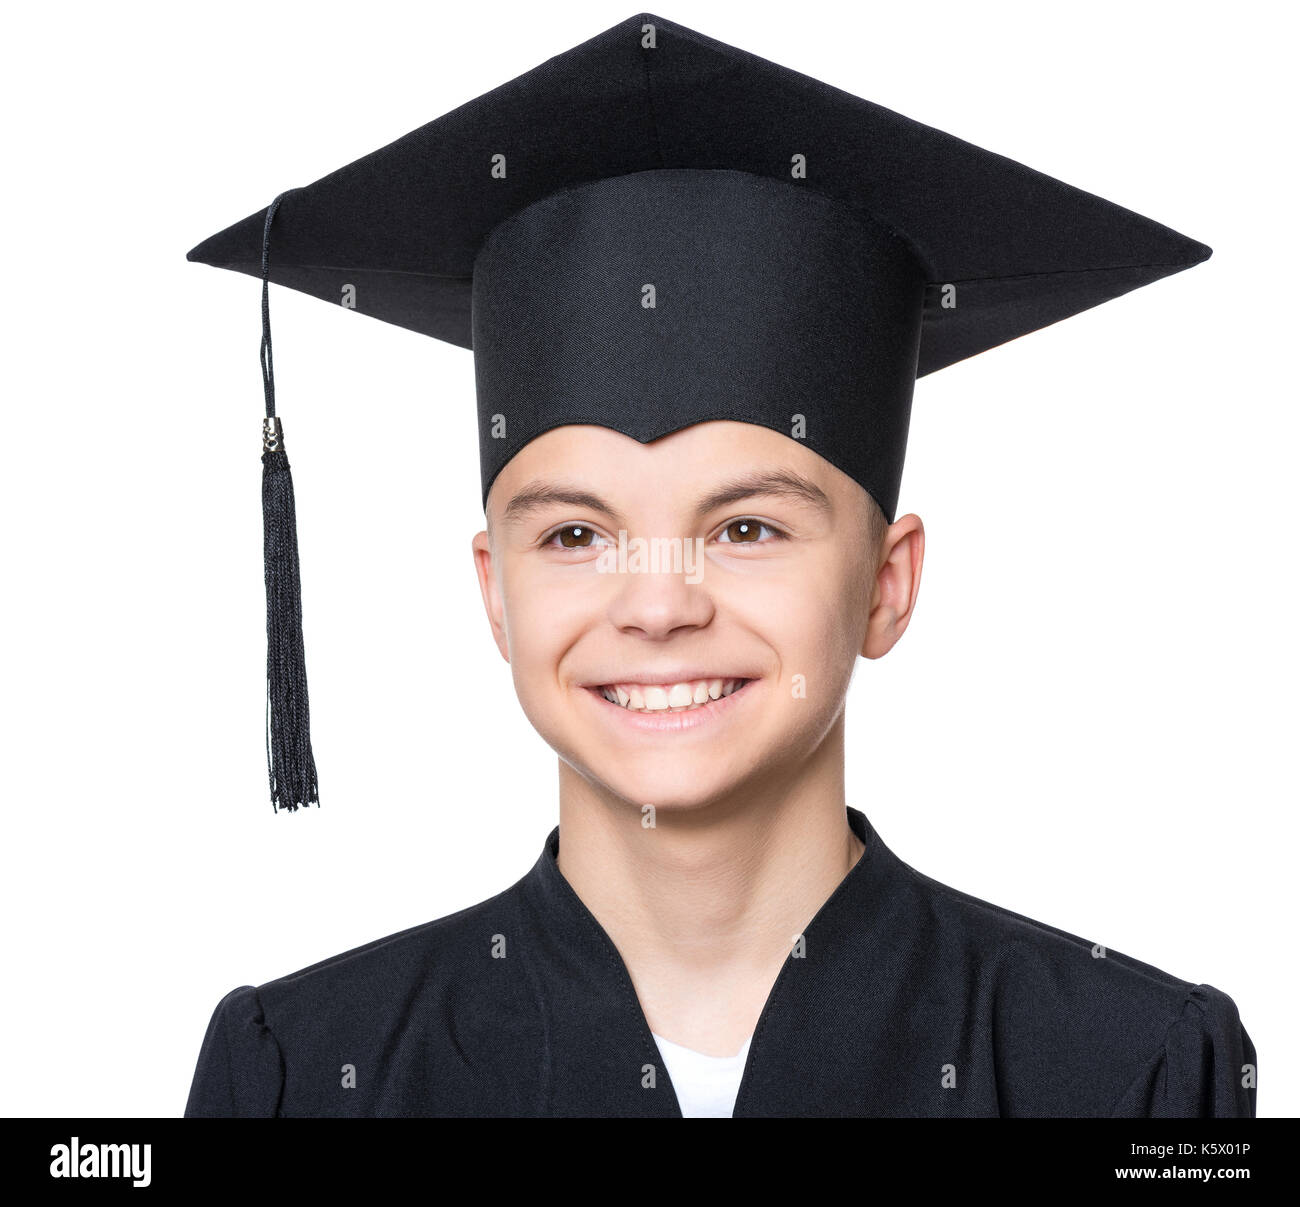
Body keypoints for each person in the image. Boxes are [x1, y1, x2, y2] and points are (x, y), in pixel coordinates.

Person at [182, 12, 1255, 1118]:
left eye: (746, 528)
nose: (656, 603)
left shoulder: (1125, 1077)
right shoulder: (304, 1076)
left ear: (887, 584)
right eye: (573, 535)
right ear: (495, 593)